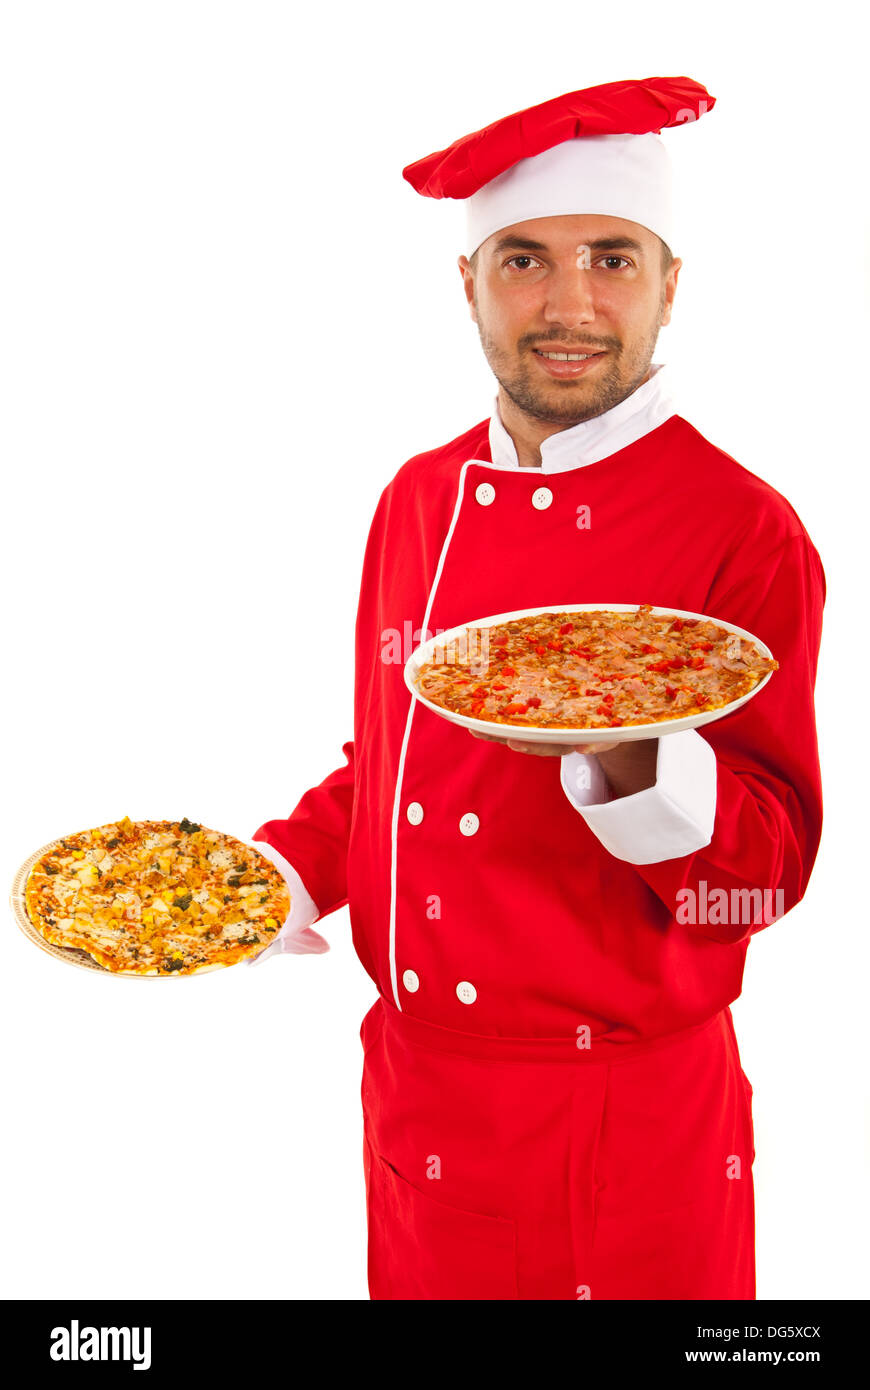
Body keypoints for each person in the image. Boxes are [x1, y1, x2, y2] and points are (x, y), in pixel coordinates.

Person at [247, 76, 825, 1300]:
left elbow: (762, 884)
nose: (570, 305)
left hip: (622, 1123)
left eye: (612, 259)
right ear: (469, 286)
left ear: (671, 283)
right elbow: (394, 762)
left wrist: (627, 757)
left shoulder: (745, 530)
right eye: (523, 261)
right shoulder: (417, 499)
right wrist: (282, 870)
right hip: (418, 1103)